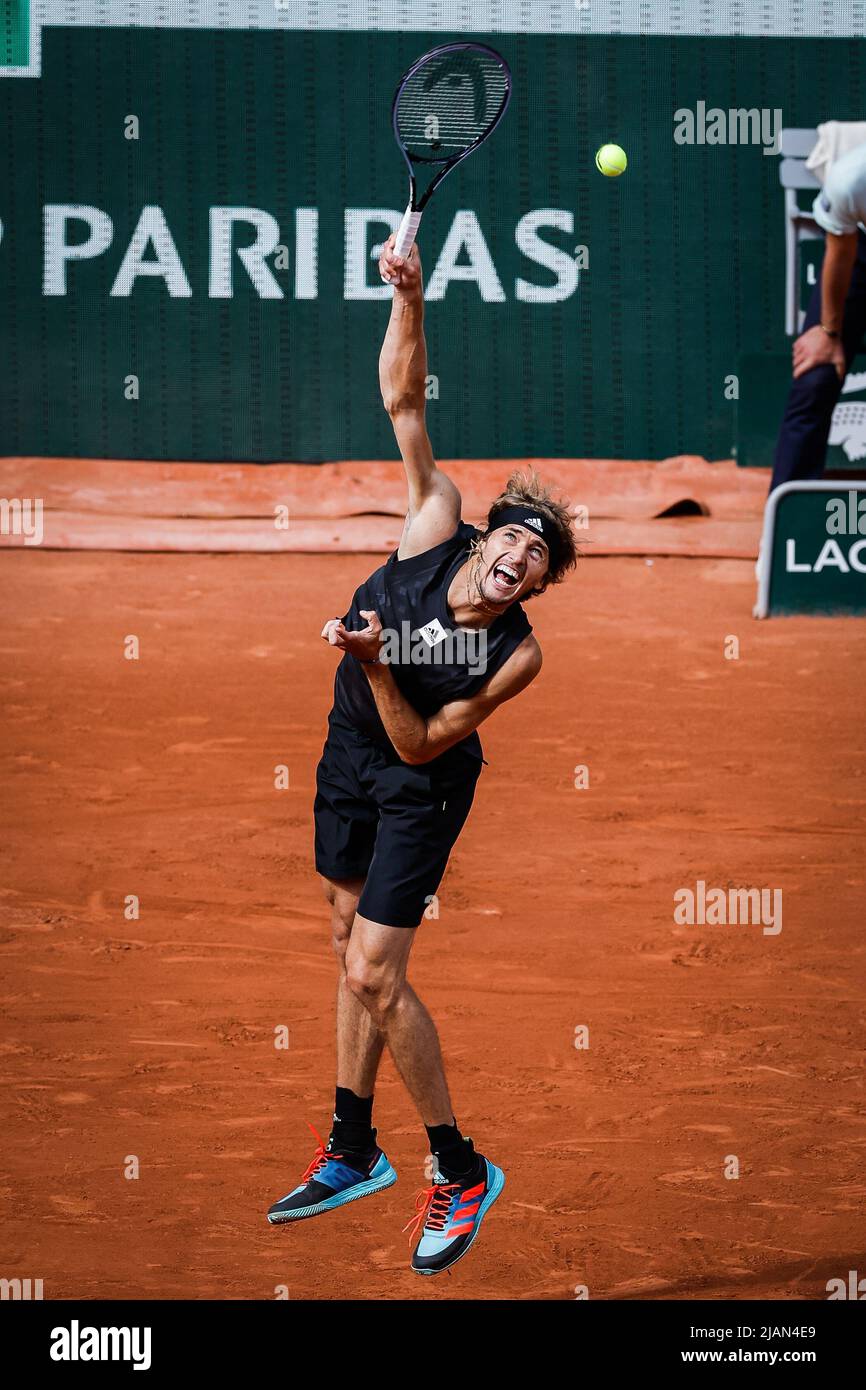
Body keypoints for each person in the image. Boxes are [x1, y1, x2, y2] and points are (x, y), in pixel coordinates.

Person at [267, 234, 578, 1277]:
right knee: (342, 938)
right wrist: (409, 294)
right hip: (346, 747)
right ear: (485, 535)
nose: (517, 559)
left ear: (530, 589)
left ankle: (458, 1165)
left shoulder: (516, 655)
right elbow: (404, 402)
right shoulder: (433, 520)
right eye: (515, 540)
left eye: (535, 561)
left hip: (418, 780)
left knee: (373, 971)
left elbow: (419, 737)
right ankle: (353, 1147)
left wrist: (374, 660)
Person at [771, 141, 866, 492]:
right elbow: (841, 251)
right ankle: (785, 527)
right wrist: (828, 332)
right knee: (815, 377)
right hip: (860, 255)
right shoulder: (852, 178)